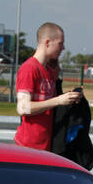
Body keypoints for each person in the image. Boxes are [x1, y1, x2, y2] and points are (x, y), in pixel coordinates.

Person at [14, 22, 82, 150]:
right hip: (28, 147)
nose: (63, 48)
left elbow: (52, 105)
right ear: (47, 43)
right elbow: (23, 108)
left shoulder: (50, 72)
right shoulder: (29, 68)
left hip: (46, 145)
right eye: (60, 43)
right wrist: (58, 100)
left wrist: (70, 98)